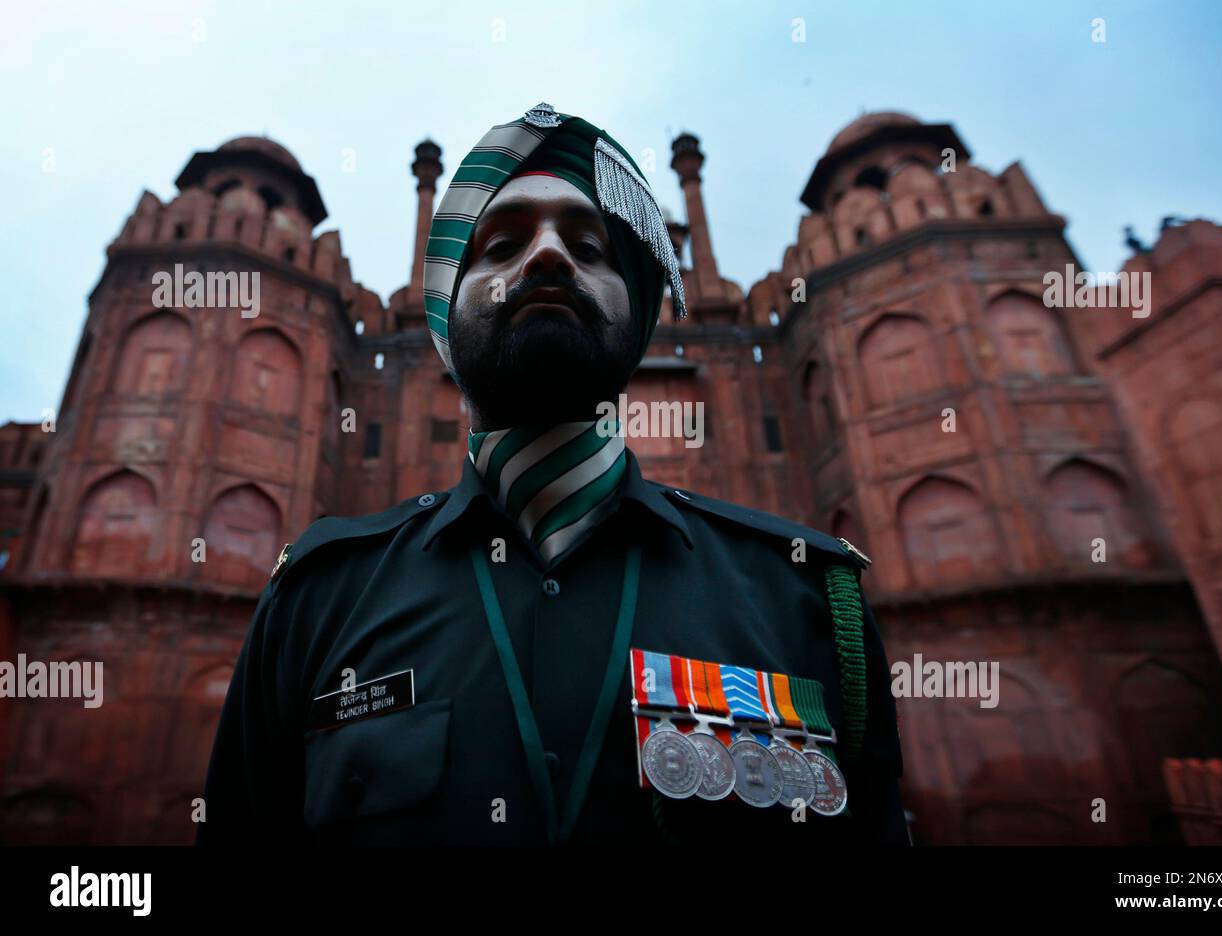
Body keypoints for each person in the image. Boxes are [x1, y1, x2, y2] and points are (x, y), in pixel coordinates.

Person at [197, 103, 908, 845]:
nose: (546, 258)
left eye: (591, 248)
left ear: (640, 316)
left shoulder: (802, 599)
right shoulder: (319, 600)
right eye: (500, 245)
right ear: (443, 314)